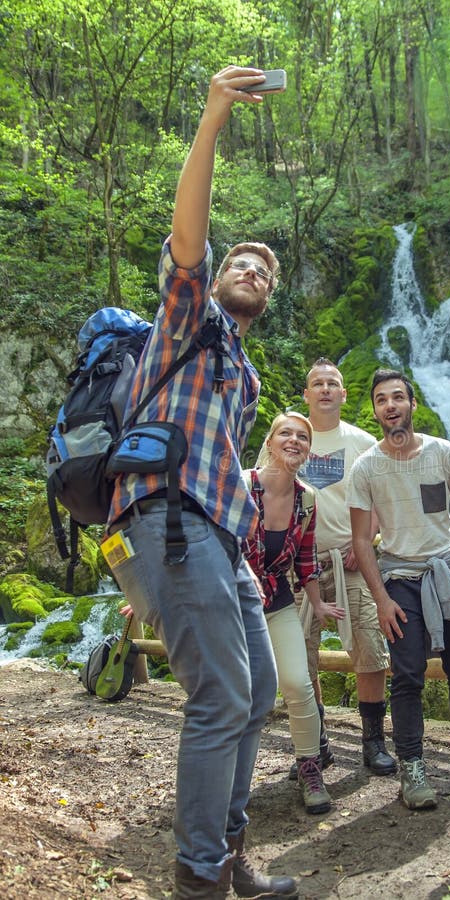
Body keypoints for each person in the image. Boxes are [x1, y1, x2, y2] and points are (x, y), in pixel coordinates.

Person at [105, 65, 298, 899]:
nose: (251, 268)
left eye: (265, 268)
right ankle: (199, 877)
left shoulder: (244, 377)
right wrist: (214, 118)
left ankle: (225, 847)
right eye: (242, 260)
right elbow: (191, 234)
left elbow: (235, 473)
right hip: (166, 526)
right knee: (221, 699)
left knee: (254, 697)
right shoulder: (188, 317)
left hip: (221, 540)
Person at [347, 368, 450, 810]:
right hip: (400, 579)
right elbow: (361, 540)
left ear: (413, 405)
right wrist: (381, 600)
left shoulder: (443, 452)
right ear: (375, 409)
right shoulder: (367, 468)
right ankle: (412, 766)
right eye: (382, 399)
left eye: (398, 397)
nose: (391, 405)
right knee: (408, 673)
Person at [295, 358, 396, 777]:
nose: (324, 389)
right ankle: (315, 742)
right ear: (306, 395)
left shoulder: (361, 442)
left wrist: (367, 538)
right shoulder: (289, 436)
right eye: (316, 383)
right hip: (299, 567)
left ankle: (373, 740)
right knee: (302, 659)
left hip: (350, 561)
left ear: (343, 393)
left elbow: (382, 494)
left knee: (371, 652)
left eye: (331, 383)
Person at [242, 411, 345, 815]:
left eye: (302, 436)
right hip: (235, 602)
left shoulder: (307, 498)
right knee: (245, 692)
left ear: (308, 449)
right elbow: (213, 541)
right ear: (269, 442)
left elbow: (304, 560)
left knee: (299, 686)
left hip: (277, 598)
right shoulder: (241, 487)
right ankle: (231, 779)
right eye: (285, 433)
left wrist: (317, 603)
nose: (295, 440)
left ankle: (310, 767)